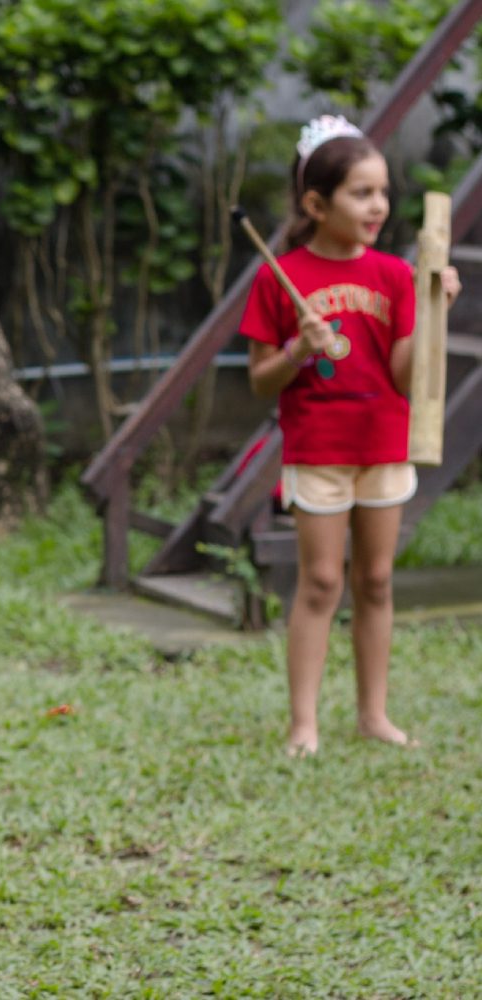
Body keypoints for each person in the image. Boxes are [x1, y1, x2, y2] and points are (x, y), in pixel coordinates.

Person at [240, 114, 460, 757]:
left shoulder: (394, 276)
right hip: (319, 450)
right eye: (361, 193)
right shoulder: (276, 276)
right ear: (316, 203)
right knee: (319, 584)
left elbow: (399, 372)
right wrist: (296, 351)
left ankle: (373, 715)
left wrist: (434, 308)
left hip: (383, 445)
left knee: (377, 581)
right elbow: (260, 383)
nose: (378, 206)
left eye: (383, 192)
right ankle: (303, 725)